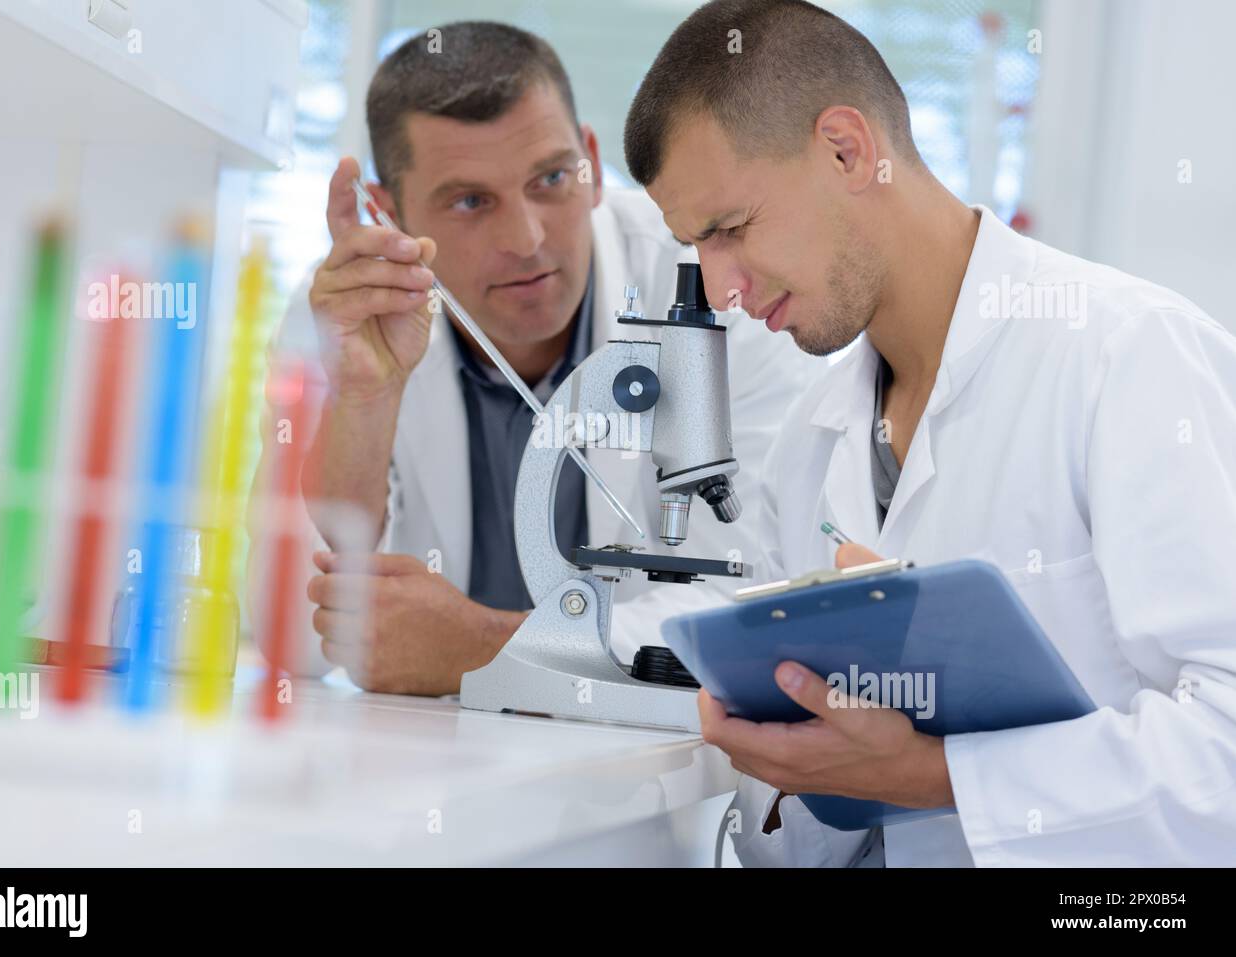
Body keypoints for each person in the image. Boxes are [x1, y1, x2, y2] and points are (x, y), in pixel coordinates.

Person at [623, 0, 1236, 865]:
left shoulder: (1127, 358)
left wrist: (941, 772)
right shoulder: (813, 439)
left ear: (847, 148)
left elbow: (1227, 747)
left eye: (729, 230)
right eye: (697, 248)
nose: (722, 288)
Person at [246, 21, 816, 695]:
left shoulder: (717, 290)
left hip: (656, 781)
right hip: (432, 774)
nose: (525, 238)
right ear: (388, 213)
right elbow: (290, 634)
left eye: (551, 178)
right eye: (468, 201)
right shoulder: (349, 312)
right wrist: (363, 403)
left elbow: (767, 611)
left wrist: (492, 646)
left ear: (593, 166)